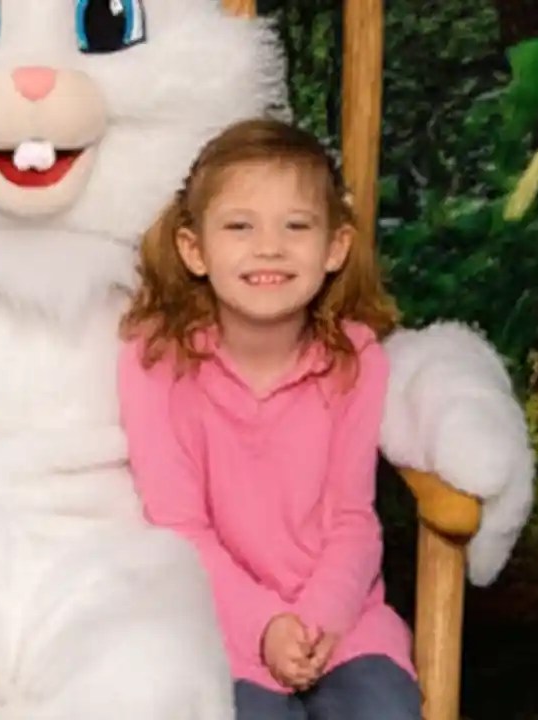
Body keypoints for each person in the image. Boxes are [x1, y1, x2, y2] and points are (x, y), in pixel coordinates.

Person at [117, 118, 421, 720]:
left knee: (385, 708)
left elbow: (354, 521)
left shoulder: (356, 358)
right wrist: (265, 627)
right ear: (194, 250)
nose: (269, 248)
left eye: (296, 226)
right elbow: (178, 526)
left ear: (335, 247)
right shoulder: (155, 360)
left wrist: (316, 621)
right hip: (217, 624)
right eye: (240, 226)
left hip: (343, 621)